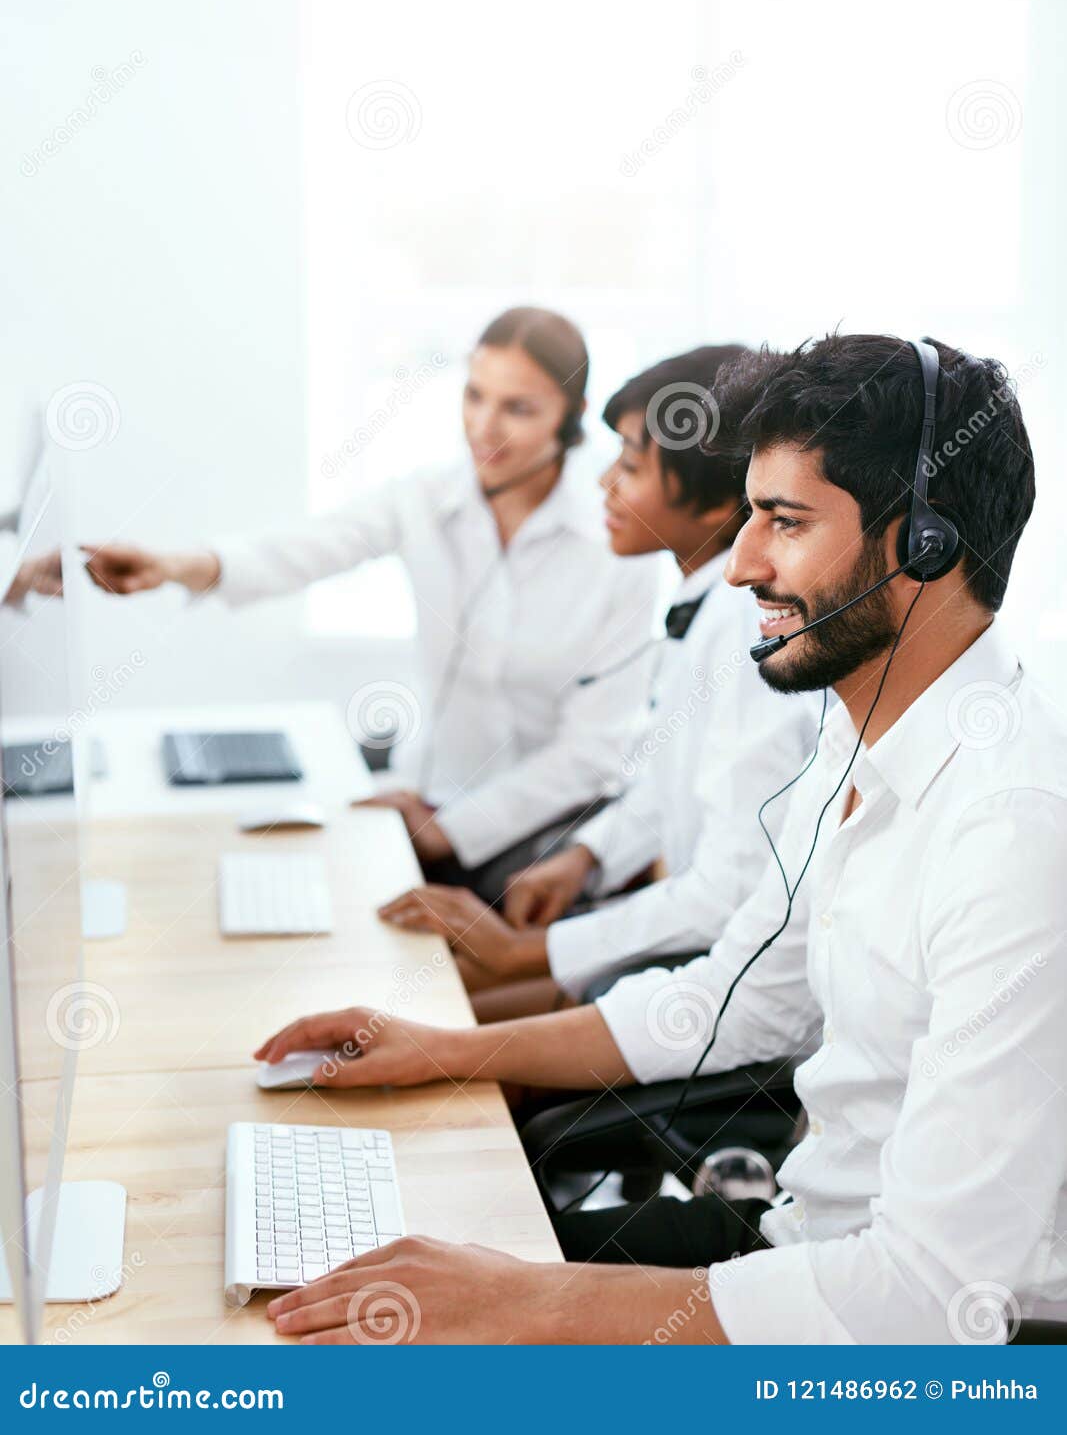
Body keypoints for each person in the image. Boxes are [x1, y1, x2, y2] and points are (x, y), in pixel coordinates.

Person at [254, 333, 1067, 1345]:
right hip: (805, 1250)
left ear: (923, 545)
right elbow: (724, 1001)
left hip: (918, 1344)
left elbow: (928, 1300)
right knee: (385, 1291)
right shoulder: (854, 745)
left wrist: (529, 1301)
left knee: (421, 1343)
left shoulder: (1011, 831)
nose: (740, 563)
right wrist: (446, 1050)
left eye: (784, 523)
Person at [83, 308, 656, 890]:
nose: (485, 426)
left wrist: (453, 832)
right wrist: (170, 566)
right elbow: (304, 549)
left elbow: (595, 749)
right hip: (422, 801)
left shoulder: (620, 543)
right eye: (475, 396)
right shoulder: (424, 497)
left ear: (572, 418)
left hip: (541, 842)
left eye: (518, 408)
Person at [377, 347, 817, 1014]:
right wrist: (584, 856)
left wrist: (523, 951)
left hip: (726, 989)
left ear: (712, 504)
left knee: (431, 1022)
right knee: (424, 1003)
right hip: (690, 956)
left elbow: (728, 886)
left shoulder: (747, 630)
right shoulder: (703, 611)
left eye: (631, 466)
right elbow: (669, 786)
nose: (604, 484)